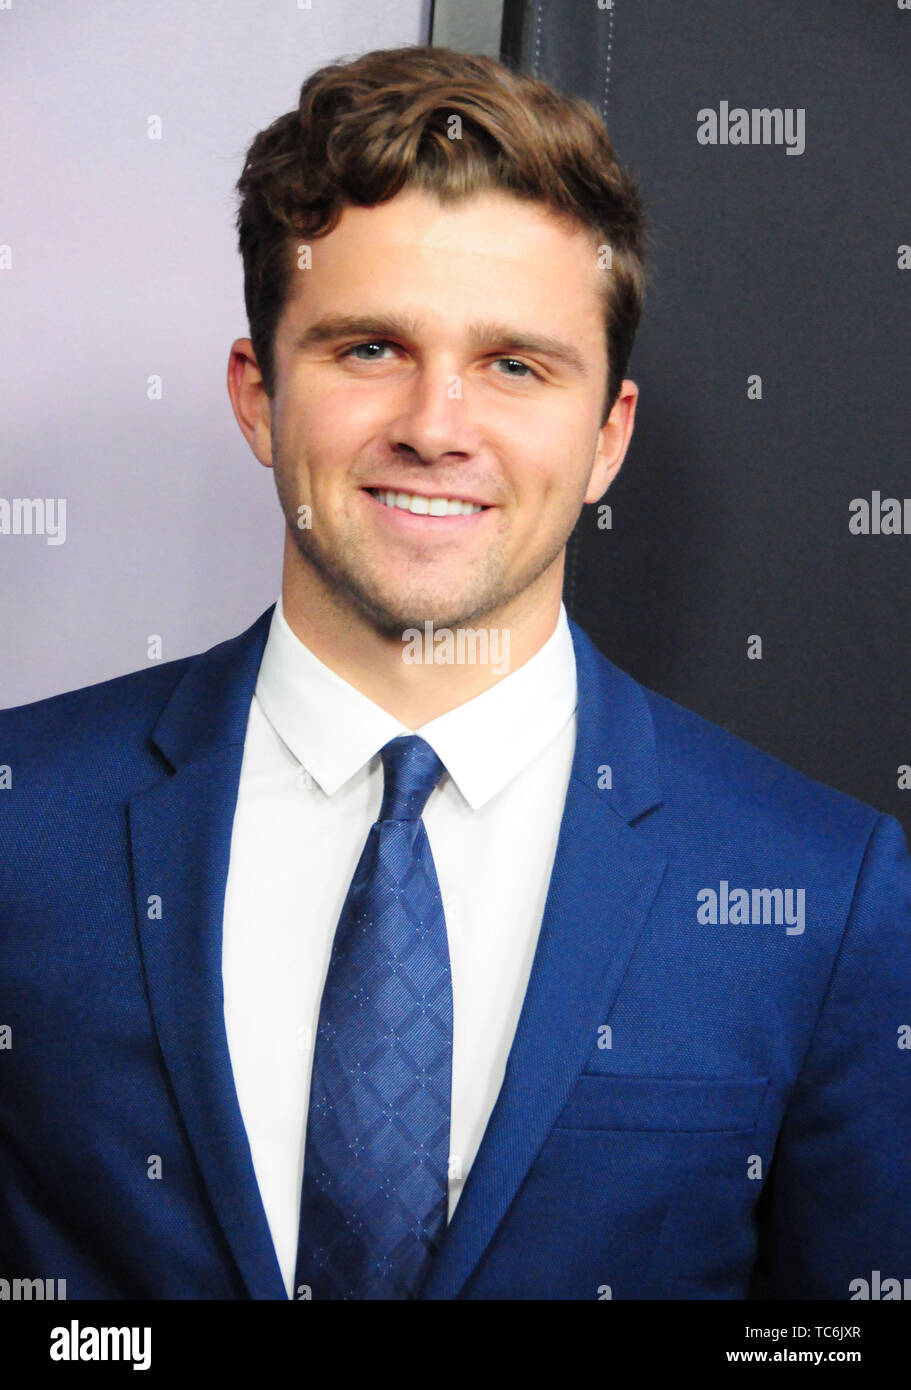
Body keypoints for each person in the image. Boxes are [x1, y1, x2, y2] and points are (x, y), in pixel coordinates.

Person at [1, 44, 908, 1302]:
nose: (435, 425)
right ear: (258, 397)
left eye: (514, 364)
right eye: (368, 348)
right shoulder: (19, 822)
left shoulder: (818, 890)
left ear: (606, 437)